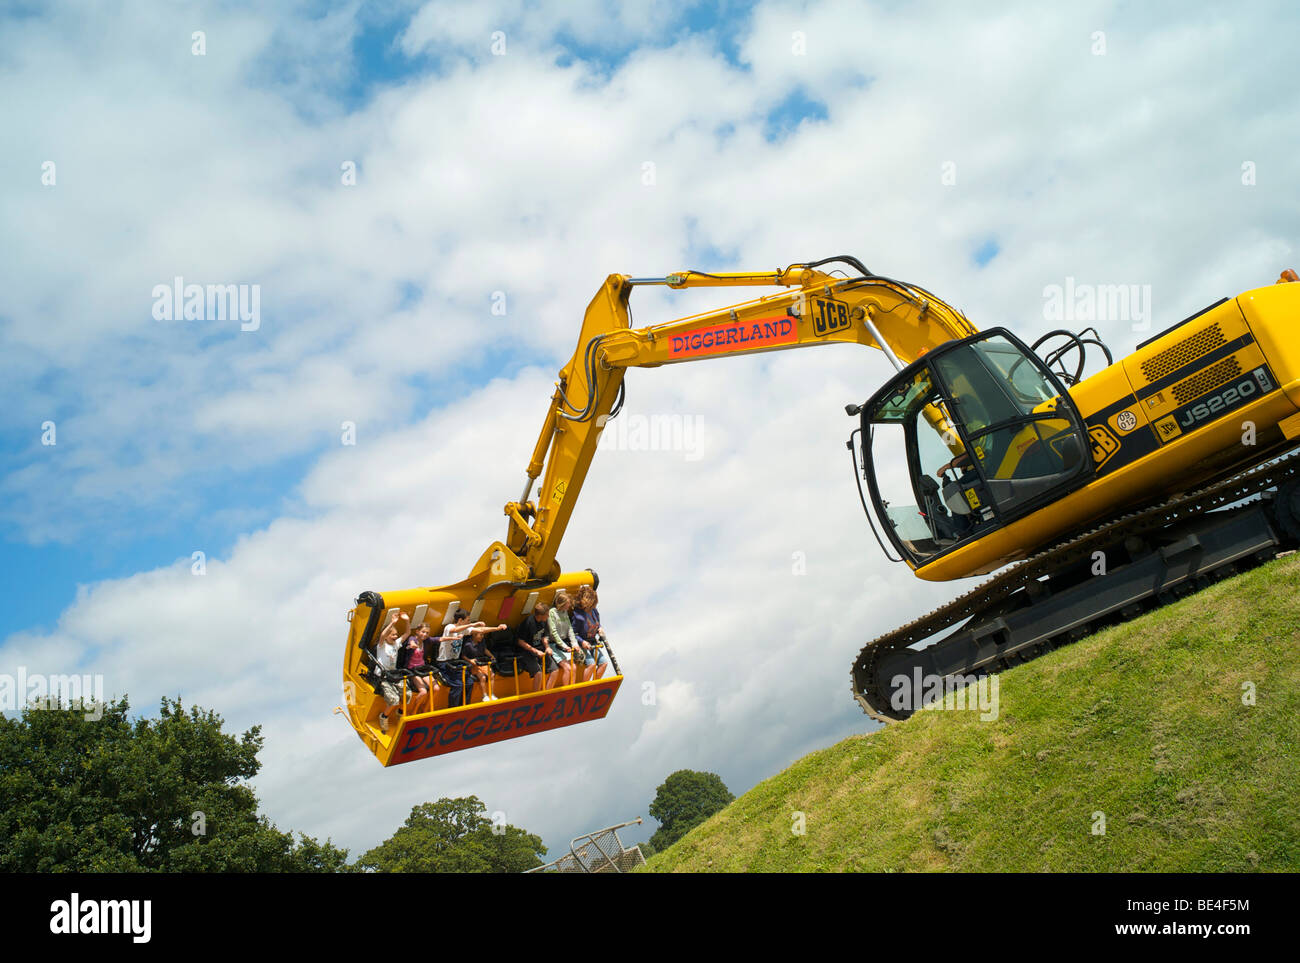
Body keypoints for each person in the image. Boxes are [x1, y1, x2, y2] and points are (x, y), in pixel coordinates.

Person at [373, 609, 407, 734]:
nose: (395, 637)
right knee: (394, 699)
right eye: (392, 635)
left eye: (396, 635)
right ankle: (384, 717)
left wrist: (407, 621)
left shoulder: (396, 644)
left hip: (393, 675)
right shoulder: (382, 646)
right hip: (383, 676)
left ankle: (400, 713)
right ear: (387, 636)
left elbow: (407, 633)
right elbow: (382, 635)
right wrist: (392, 623)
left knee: (407, 694)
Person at [515, 602, 559, 690]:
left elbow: (544, 636)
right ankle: (537, 695)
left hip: (540, 649)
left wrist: (547, 647)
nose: (548, 616)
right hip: (527, 651)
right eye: (547, 615)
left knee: (555, 670)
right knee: (538, 673)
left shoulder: (544, 621)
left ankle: (547, 693)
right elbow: (520, 642)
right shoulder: (528, 622)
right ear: (540, 615)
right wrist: (535, 651)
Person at [574, 585, 612, 681]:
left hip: (592, 642)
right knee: (591, 664)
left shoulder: (594, 611)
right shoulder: (578, 615)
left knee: (603, 663)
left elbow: (597, 623)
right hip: (581, 645)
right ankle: (584, 686)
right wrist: (582, 642)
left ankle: (595, 683)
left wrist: (600, 628)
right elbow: (572, 633)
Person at [546, 591, 580, 687]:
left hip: (564, 644)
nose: (569, 606)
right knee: (567, 668)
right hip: (554, 644)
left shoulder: (565, 612)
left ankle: (572, 688)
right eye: (567, 604)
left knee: (574, 667)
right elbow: (553, 633)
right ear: (562, 604)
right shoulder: (552, 612)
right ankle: (567, 689)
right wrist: (564, 646)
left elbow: (570, 629)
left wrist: (574, 644)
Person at [460, 627, 499, 701]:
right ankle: (484, 695)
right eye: (480, 635)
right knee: (483, 677)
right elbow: (463, 656)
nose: (482, 636)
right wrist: (470, 660)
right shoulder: (468, 644)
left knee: (492, 674)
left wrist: (491, 656)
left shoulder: (482, 641)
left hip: (482, 663)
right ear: (474, 635)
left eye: (483, 635)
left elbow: (485, 649)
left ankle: (492, 694)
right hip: (474, 665)